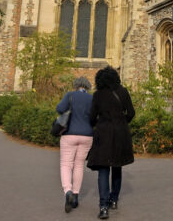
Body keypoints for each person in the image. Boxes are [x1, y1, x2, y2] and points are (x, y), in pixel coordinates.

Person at [86, 66, 135, 220]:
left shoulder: (98, 95)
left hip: (104, 133)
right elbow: (131, 113)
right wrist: (122, 122)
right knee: (117, 166)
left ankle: (103, 206)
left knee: (103, 169)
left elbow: (92, 117)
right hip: (120, 134)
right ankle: (114, 199)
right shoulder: (123, 91)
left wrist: (98, 123)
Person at [56, 76, 93, 213]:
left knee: (66, 164)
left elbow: (60, 109)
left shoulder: (70, 95)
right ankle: (76, 196)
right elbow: (95, 116)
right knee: (79, 165)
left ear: (76, 85)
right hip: (87, 135)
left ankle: (68, 192)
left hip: (69, 134)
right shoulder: (91, 98)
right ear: (87, 86)